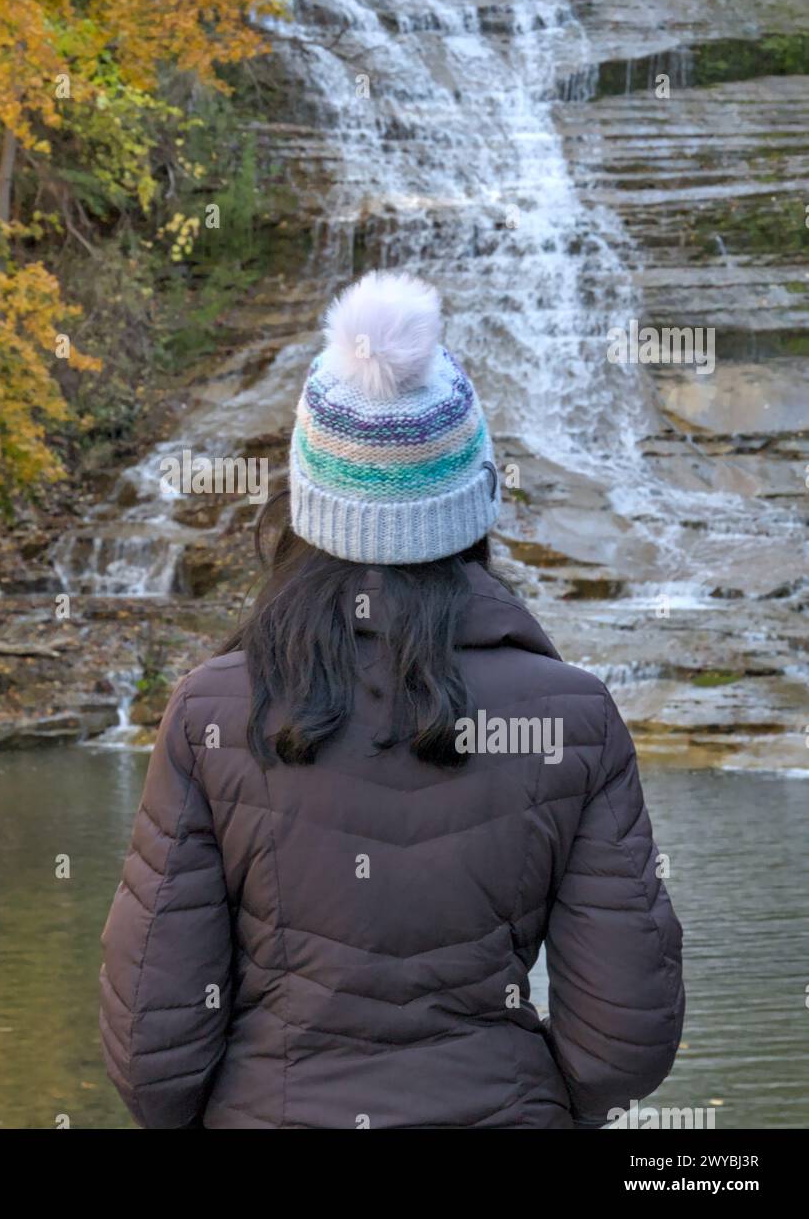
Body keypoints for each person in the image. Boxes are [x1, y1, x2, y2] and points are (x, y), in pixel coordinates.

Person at [99, 270, 684, 1129]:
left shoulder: (209, 713)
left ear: (301, 507)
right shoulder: (574, 718)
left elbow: (155, 1053)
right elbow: (623, 1044)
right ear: (473, 504)